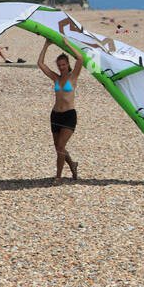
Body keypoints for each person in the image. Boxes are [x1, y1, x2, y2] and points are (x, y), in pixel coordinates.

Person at [38, 41, 83, 183]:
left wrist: (68, 44)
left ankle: (58, 176)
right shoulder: (56, 78)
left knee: (61, 147)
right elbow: (40, 64)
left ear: (67, 64)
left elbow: (80, 59)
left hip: (69, 115)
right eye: (59, 65)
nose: (61, 67)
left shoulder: (73, 77)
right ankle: (73, 165)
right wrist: (46, 45)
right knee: (58, 147)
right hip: (56, 115)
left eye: (63, 65)